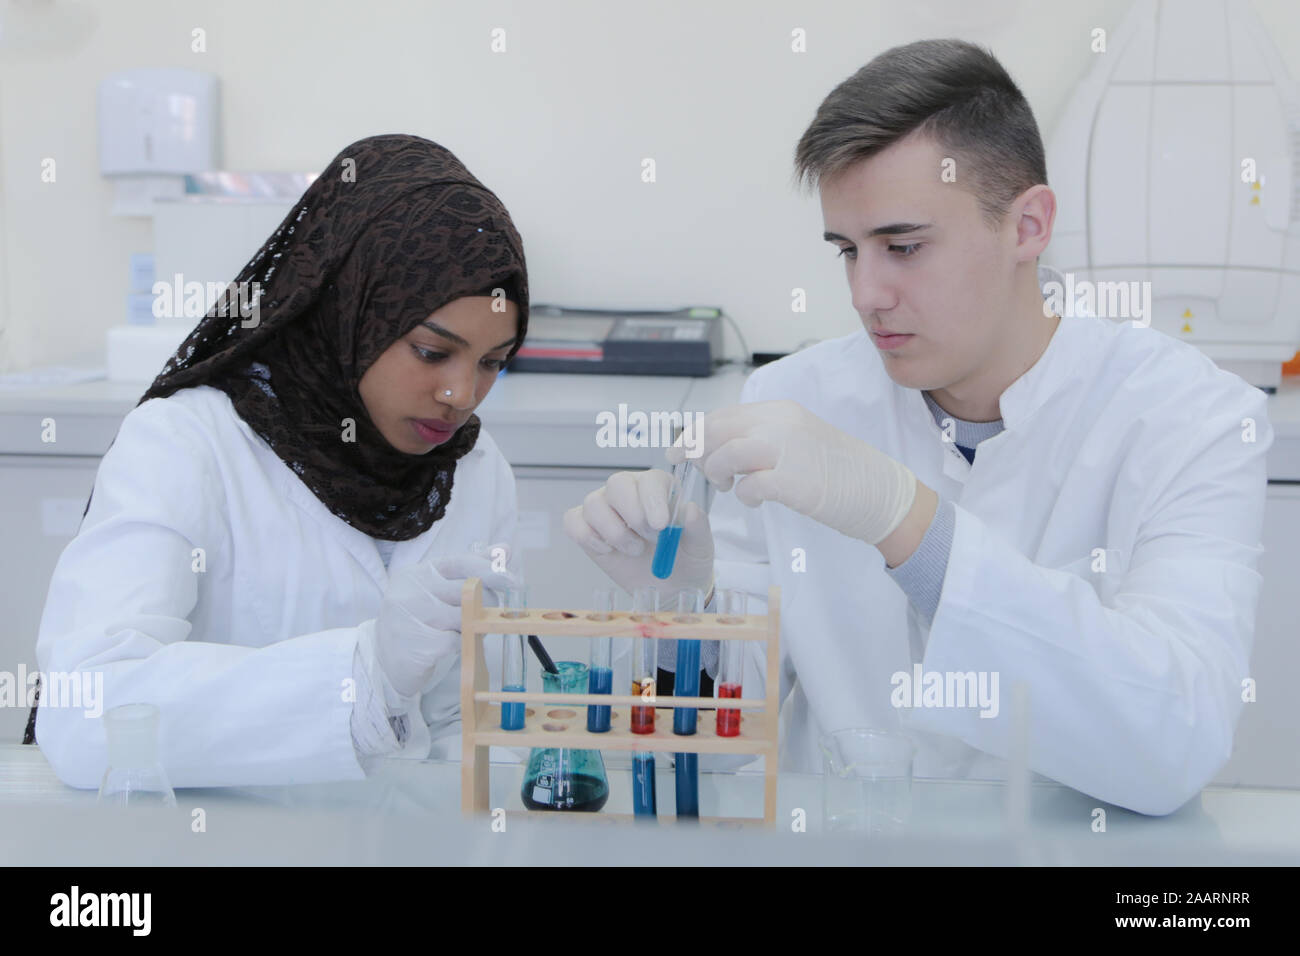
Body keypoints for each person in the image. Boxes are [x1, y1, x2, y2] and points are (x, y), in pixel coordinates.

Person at [564, 40, 1273, 816]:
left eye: (904, 247)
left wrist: (909, 523)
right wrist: (681, 613)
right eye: (848, 251)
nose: (867, 293)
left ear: (1028, 225)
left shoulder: (1192, 419)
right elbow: (717, 747)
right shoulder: (793, 401)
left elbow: (1176, 742)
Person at [32, 134, 526, 788]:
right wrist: (363, 676)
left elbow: (481, 735)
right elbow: (85, 712)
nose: (461, 395)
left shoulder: (476, 468)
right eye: (433, 353)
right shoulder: (188, 442)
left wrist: (660, 603)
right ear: (349, 308)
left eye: (493, 362)